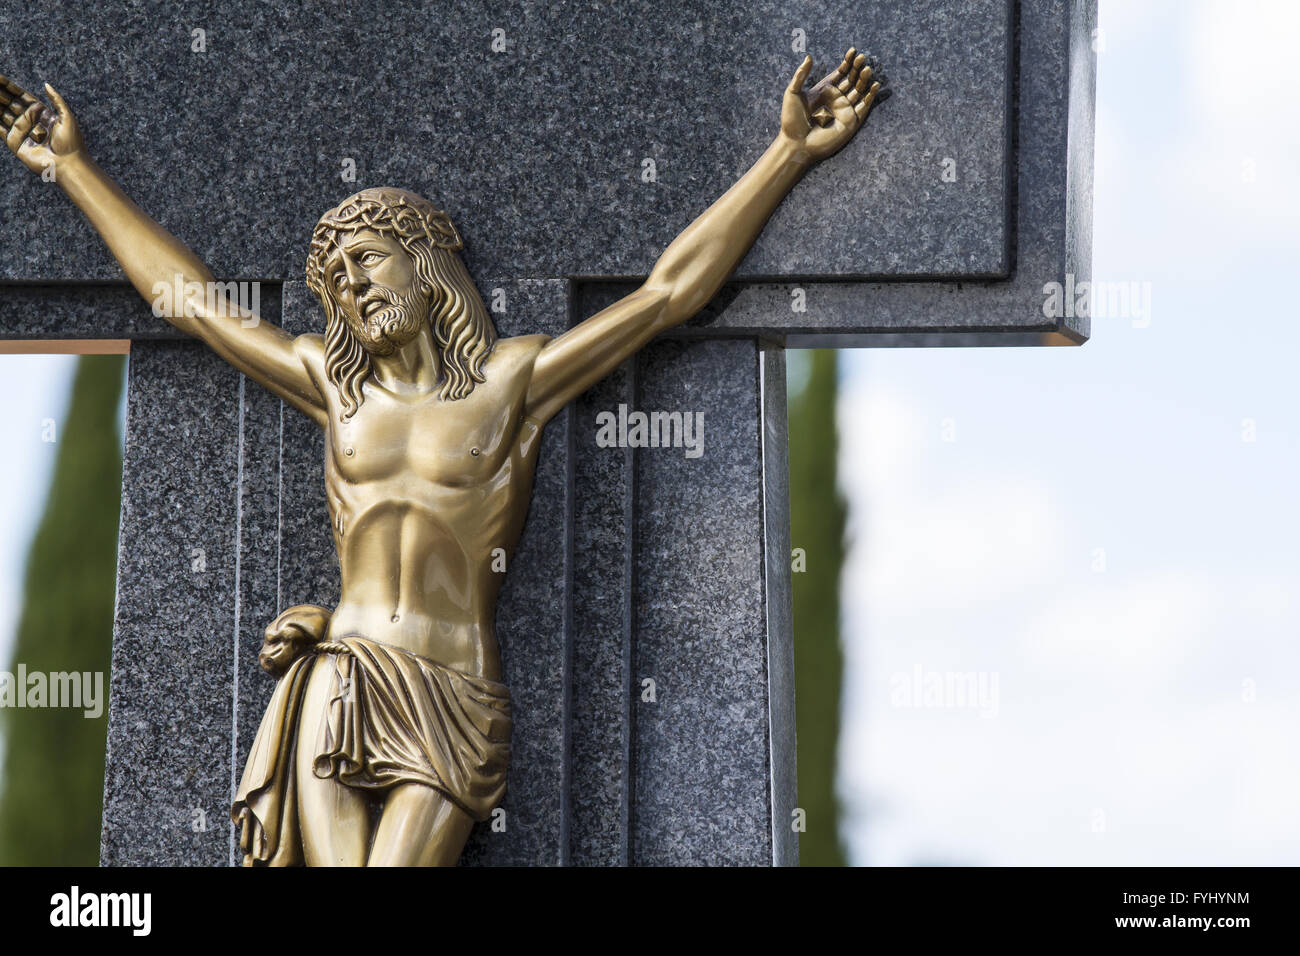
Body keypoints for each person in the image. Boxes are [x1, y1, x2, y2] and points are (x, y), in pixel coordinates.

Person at [0, 51, 883, 865]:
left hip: (451, 688)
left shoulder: (511, 384)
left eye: (367, 261)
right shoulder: (334, 387)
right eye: (337, 282)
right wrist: (73, 169)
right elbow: (191, 303)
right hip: (340, 673)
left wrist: (787, 155)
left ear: (424, 263)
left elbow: (667, 294)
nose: (353, 287)